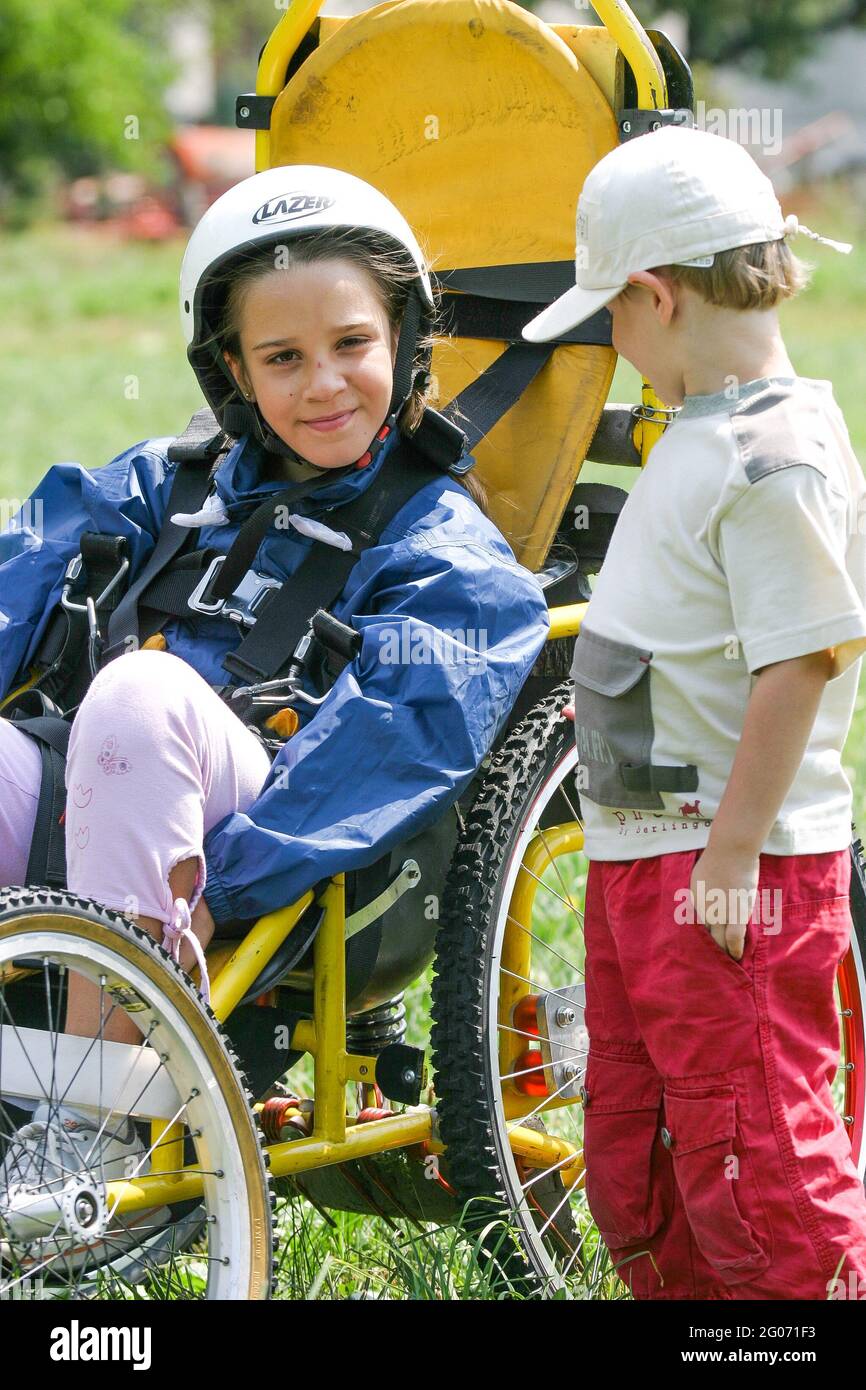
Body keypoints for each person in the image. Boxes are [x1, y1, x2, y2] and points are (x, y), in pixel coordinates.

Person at [0, 165, 550, 1263]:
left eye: (351, 343)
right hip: (105, 808)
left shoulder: (448, 556)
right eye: (283, 358)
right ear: (234, 374)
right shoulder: (166, 484)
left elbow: (398, 738)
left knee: (143, 695)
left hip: (293, 865)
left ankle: (113, 1132)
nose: (324, 384)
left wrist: (230, 882)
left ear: (401, 340)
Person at [523, 123, 866, 1300]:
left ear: (654, 297)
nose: (612, 350)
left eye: (608, 321)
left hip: (729, 876)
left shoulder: (773, 461)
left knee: (754, 1151)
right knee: (643, 1143)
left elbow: (801, 663)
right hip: (645, 865)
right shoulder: (704, 431)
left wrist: (727, 856)